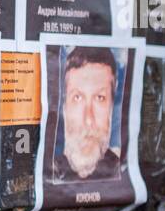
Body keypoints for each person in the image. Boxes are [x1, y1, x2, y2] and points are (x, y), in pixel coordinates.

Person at [52, 46, 122, 183]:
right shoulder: (46, 172)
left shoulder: (124, 170)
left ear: (112, 107)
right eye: (77, 97)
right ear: (64, 108)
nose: (88, 119)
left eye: (100, 98)